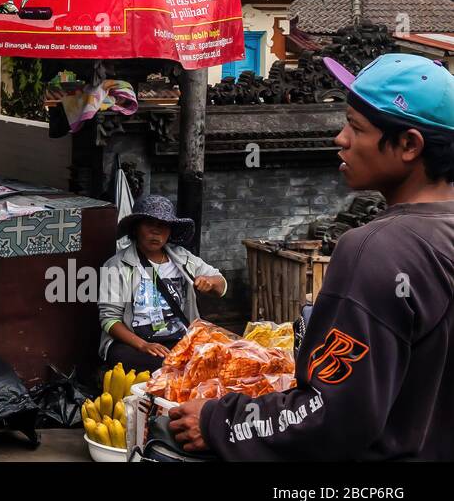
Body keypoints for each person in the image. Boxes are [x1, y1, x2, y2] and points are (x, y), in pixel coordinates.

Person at [170, 54, 454, 460]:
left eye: (356, 128)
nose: (340, 139)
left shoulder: (377, 250)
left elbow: (333, 415)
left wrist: (219, 422)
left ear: (408, 144)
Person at [97, 195, 226, 374]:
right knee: (144, 362)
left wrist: (210, 283)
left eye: (162, 226)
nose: (156, 232)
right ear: (136, 228)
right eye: (149, 224)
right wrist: (143, 345)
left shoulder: (183, 258)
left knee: (220, 357)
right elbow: (109, 320)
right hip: (134, 341)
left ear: (170, 231)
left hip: (179, 337)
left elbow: (220, 284)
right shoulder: (117, 265)